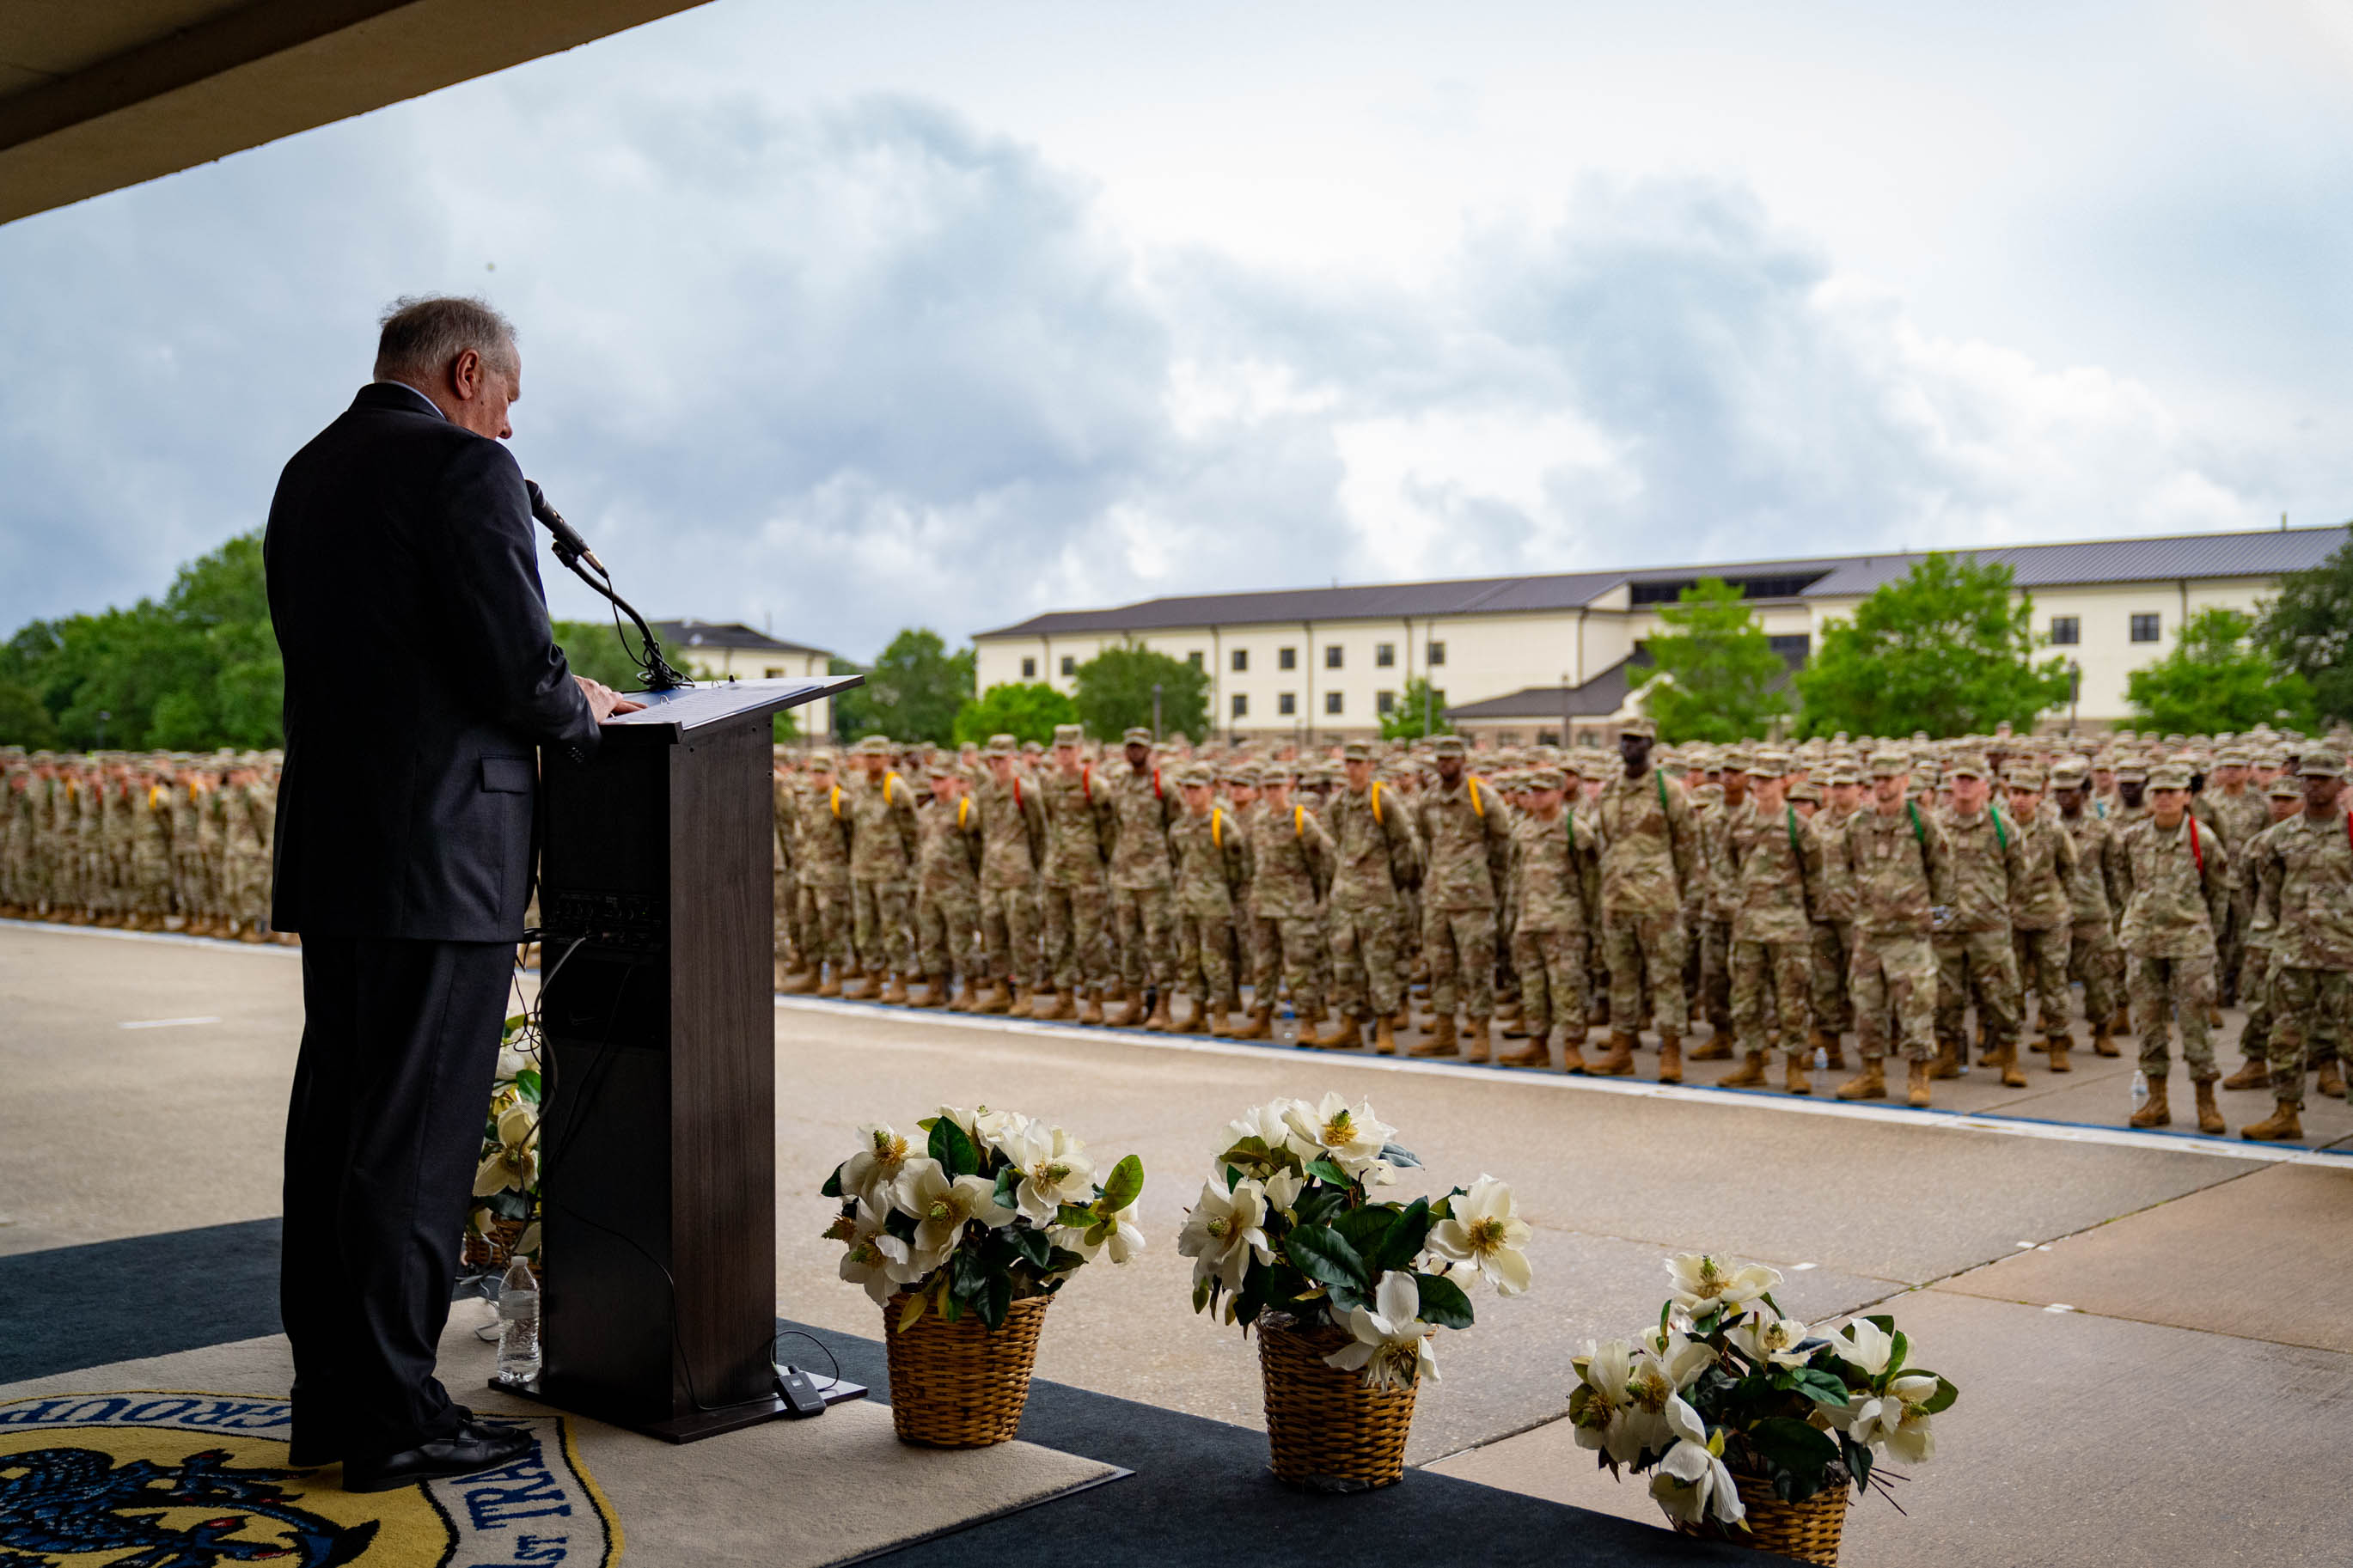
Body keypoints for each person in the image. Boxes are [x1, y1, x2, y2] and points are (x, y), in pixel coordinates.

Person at [267, 296, 639, 1492]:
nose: (511, 430)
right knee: (416, 1147)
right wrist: (576, 697)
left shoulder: (309, 470)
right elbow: (510, 664)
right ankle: (393, 1414)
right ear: (466, 369)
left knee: (338, 1135)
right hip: (442, 861)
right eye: (510, 400)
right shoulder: (461, 472)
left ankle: (333, 1394)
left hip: (344, 854)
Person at [2240, 753, 2353, 1141]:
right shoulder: (2280, 837)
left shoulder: (2352, 830)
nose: (2314, 785)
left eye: (2324, 778)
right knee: (2285, 1037)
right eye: (2308, 778)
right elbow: (2268, 892)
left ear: (2342, 784)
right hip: (2294, 952)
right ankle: (2285, 1113)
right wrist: (2289, 928)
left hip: (2346, 955)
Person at [2113, 762, 2231, 1132]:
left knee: (2195, 1022)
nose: (2164, 798)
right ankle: (2157, 1100)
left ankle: (2205, 1102)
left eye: (2172, 791)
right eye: (2158, 792)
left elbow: (2218, 893)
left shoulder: (2203, 838)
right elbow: (2122, 883)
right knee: (2149, 1022)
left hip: (2189, 942)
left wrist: (2201, 928)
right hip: (2145, 941)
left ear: (2187, 795)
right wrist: (2137, 916)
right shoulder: (2133, 837)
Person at [1834, 750, 1952, 1106]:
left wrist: (1934, 917)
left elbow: (1943, 871)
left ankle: (1918, 1075)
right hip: (1870, 932)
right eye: (1877, 779)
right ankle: (1872, 1073)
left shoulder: (1922, 823)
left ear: (1905, 781)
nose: (1882, 785)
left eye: (1889, 778)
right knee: (1867, 1006)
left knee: (1916, 1006)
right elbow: (1841, 866)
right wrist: (1853, 904)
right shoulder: (1857, 824)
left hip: (1908, 934)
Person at [1592, 717, 1700, 1081]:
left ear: (1650, 745)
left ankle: (1670, 1050)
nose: (1629, 747)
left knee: (1665, 978)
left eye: (1637, 741)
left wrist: (1671, 886)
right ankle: (1622, 1048)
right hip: (1618, 898)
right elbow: (1605, 840)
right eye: (1625, 740)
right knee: (1621, 976)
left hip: (1657, 902)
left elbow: (1687, 846)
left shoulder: (1668, 791)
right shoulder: (1610, 791)